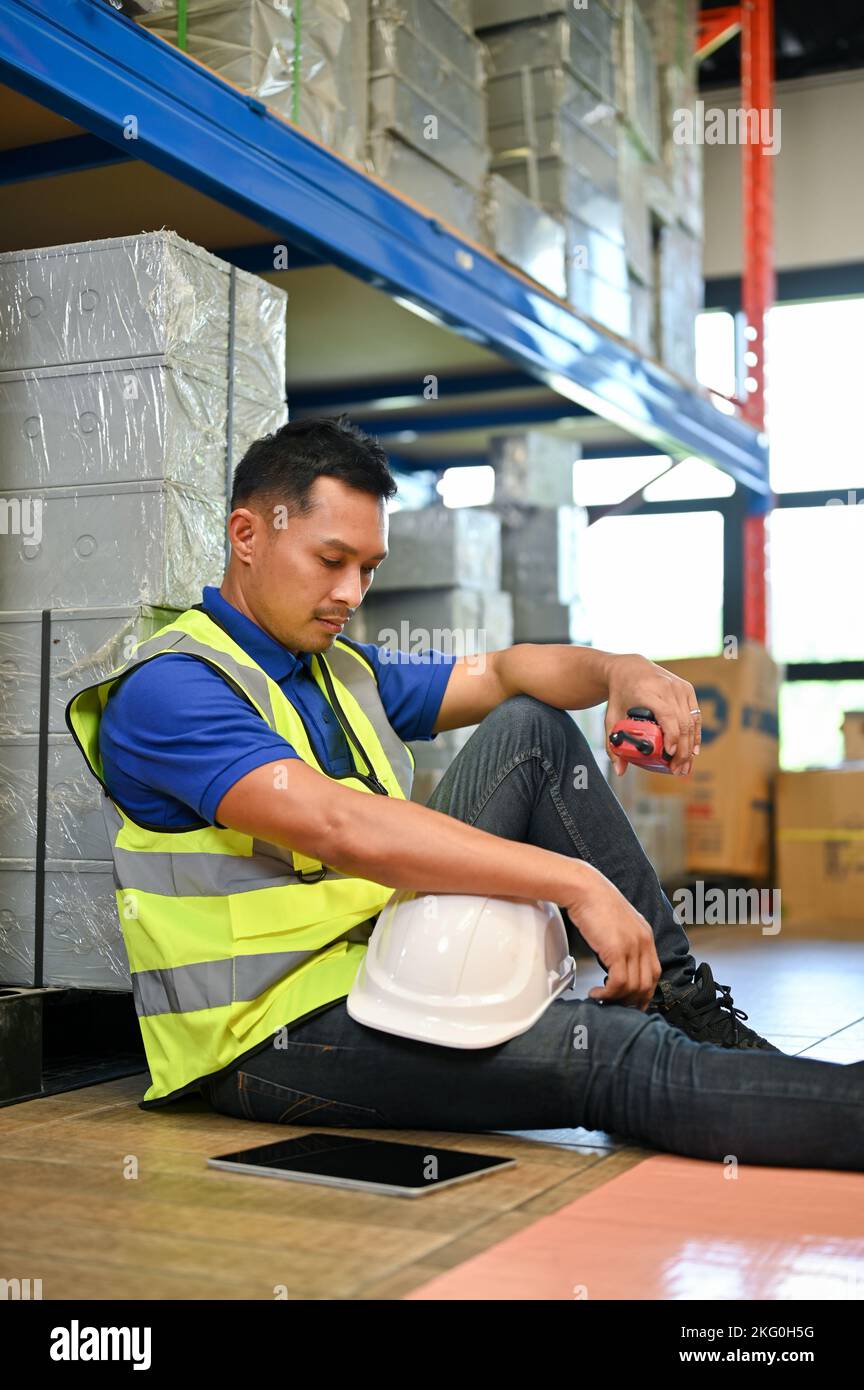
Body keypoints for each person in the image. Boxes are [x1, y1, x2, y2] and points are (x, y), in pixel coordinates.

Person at [67, 416, 864, 1171]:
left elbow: (506, 672)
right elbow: (340, 827)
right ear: (248, 535)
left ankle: (683, 1001)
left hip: (382, 962)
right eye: (331, 560)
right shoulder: (172, 690)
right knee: (612, 1055)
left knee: (532, 729)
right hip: (267, 1033)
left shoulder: (341, 670)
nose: (351, 593)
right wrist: (575, 882)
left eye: (368, 570)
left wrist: (621, 668)